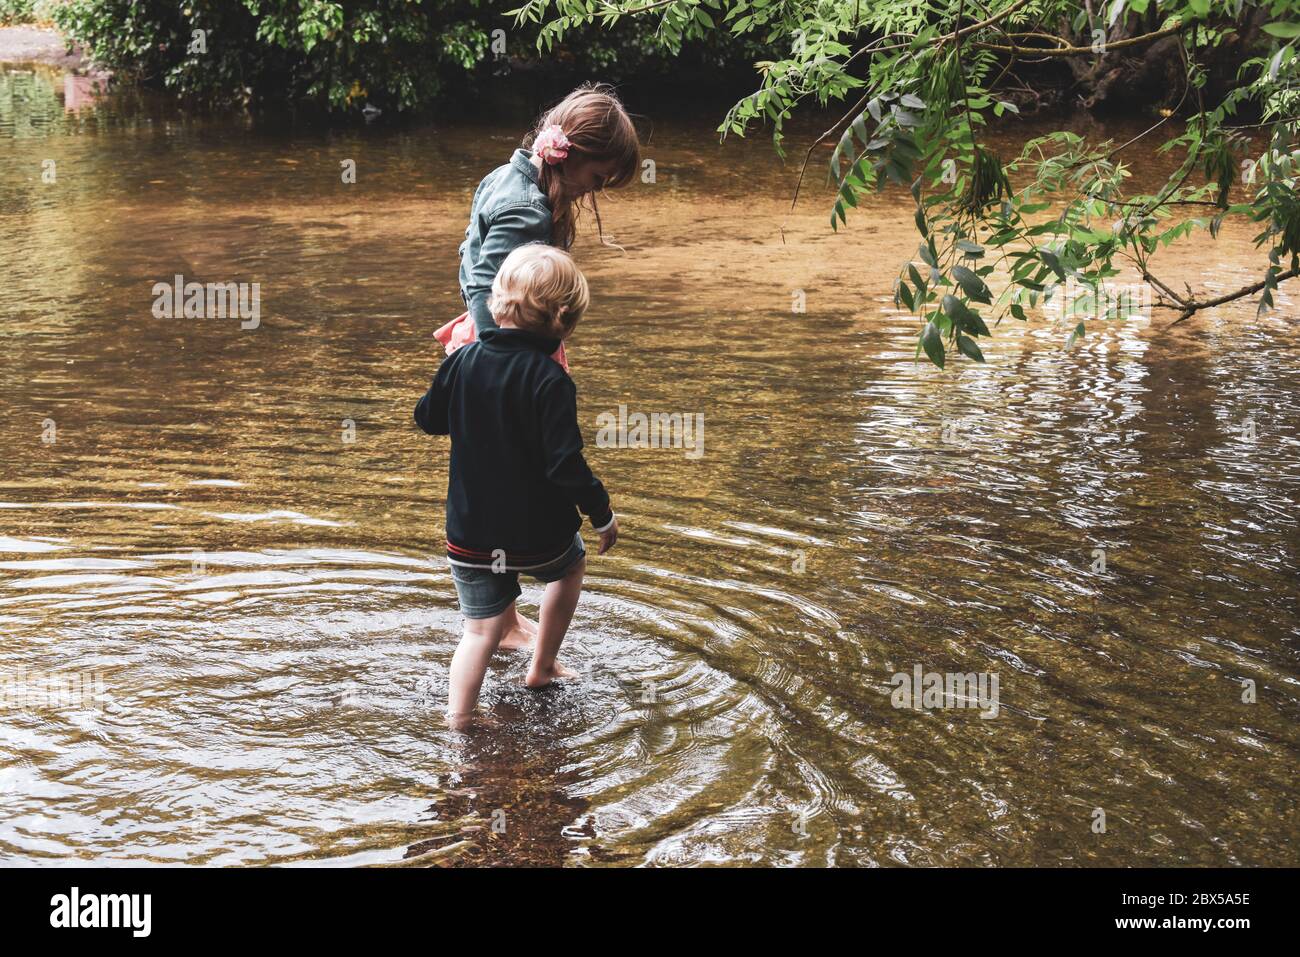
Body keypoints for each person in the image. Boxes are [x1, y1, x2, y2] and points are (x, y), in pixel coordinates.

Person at [416, 244, 618, 729]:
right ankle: (542, 666)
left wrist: (451, 376)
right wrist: (601, 512)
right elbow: (564, 464)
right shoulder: (550, 379)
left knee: (480, 631)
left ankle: (459, 717)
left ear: (494, 302)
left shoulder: (462, 362)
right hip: (537, 534)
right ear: (564, 322)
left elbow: (428, 420)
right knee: (569, 568)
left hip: (468, 533)